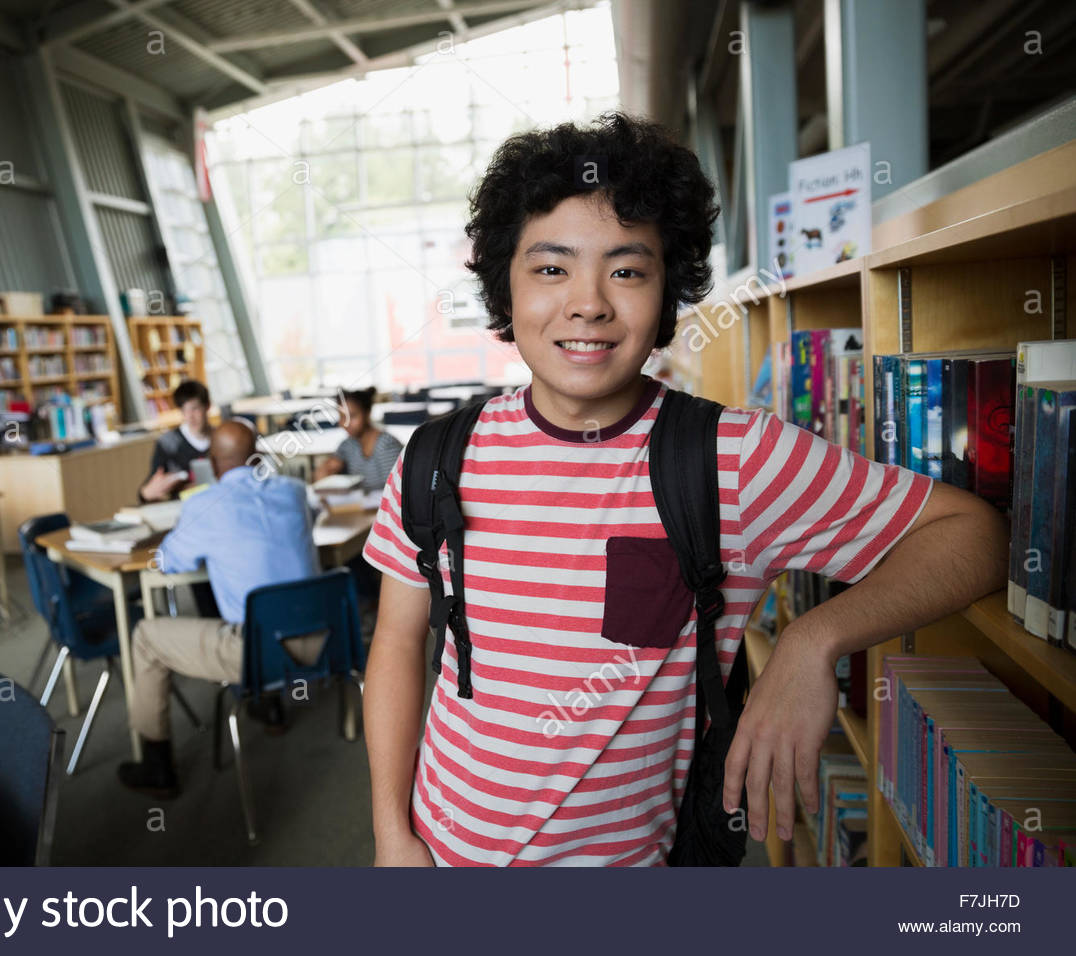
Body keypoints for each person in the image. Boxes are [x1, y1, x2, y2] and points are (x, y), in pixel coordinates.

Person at [361, 112, 1008, 866]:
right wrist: (389, 833)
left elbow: (975, 535)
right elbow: (400, 643)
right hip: (435, 860)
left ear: (668, 292)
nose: (588, 303)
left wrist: (813, 639)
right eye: (551, 268)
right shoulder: (437, 456)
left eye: (628, 270)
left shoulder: (733, 458)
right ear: (505, 284)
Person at [117, 420, 322, 798]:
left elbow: (168, 561)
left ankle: (157, 767)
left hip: (260, 654)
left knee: (147, 636)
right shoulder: (295, 491)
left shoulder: (204, 505)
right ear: (259, 455)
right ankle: (268, 706)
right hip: (324, 641)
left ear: (211, 463)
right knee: (259, 599)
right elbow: (309, 520)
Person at [313, 387, 402, 491]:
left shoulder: (387, 445)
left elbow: (397, 492)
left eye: (353, 416)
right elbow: (321, 477)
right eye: (342, 417)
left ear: (367, 414)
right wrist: (326, 470)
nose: (346, 423)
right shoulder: (347, 445)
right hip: (356, 506)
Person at [138, 379, 212, 503]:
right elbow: (150, 487)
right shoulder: (168, 443)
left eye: (195, 408)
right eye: (184, 410)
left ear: (207, 406)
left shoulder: (221, 440)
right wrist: (145, 494)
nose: (190, 416)